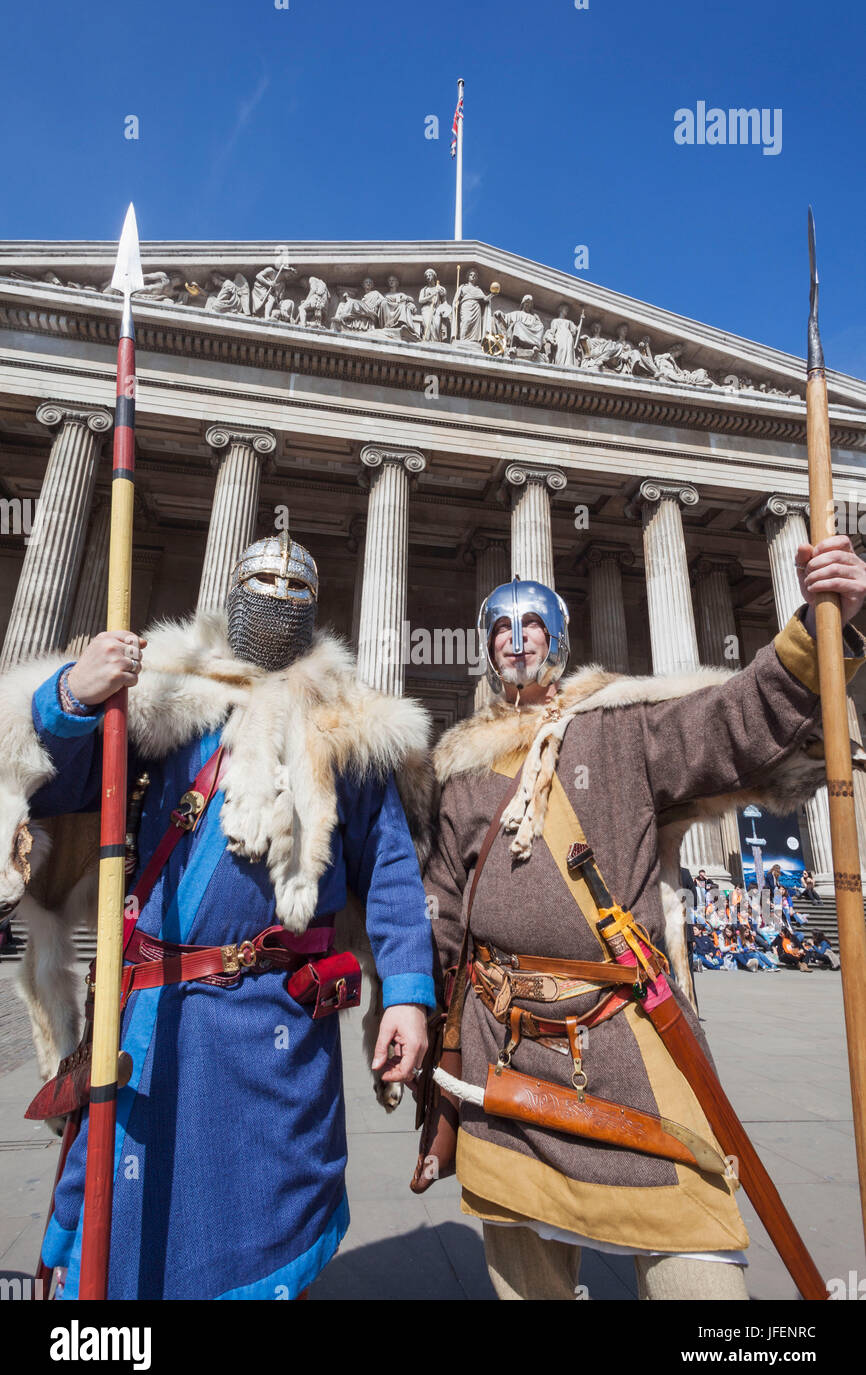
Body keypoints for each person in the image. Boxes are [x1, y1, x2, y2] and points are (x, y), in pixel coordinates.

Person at [420, 531, 866, 1301]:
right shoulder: (458, 774)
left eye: (533, 624)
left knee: (698, 1268)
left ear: (557, 640)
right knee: (526, 1282)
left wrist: (826, 622)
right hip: (504, 1054)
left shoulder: (620, 728)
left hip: (622, 1041)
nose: (516, 637)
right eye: (500, 626)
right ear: (487, 651)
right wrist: (420, 1038)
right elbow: (443, 920)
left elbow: (733, 718)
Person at [0, 531, 435, 1300]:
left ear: (314, 608)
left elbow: (390, 864)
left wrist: (405, 991)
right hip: (159, 1008)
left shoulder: (349, 724)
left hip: (278, 1025)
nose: (275, 599)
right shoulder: (167, 698)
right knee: (128, 1206)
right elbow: (61, 788)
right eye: (261, 583)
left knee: (271, 1211)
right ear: (233, 596)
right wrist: (76, 693)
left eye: (293, 589)